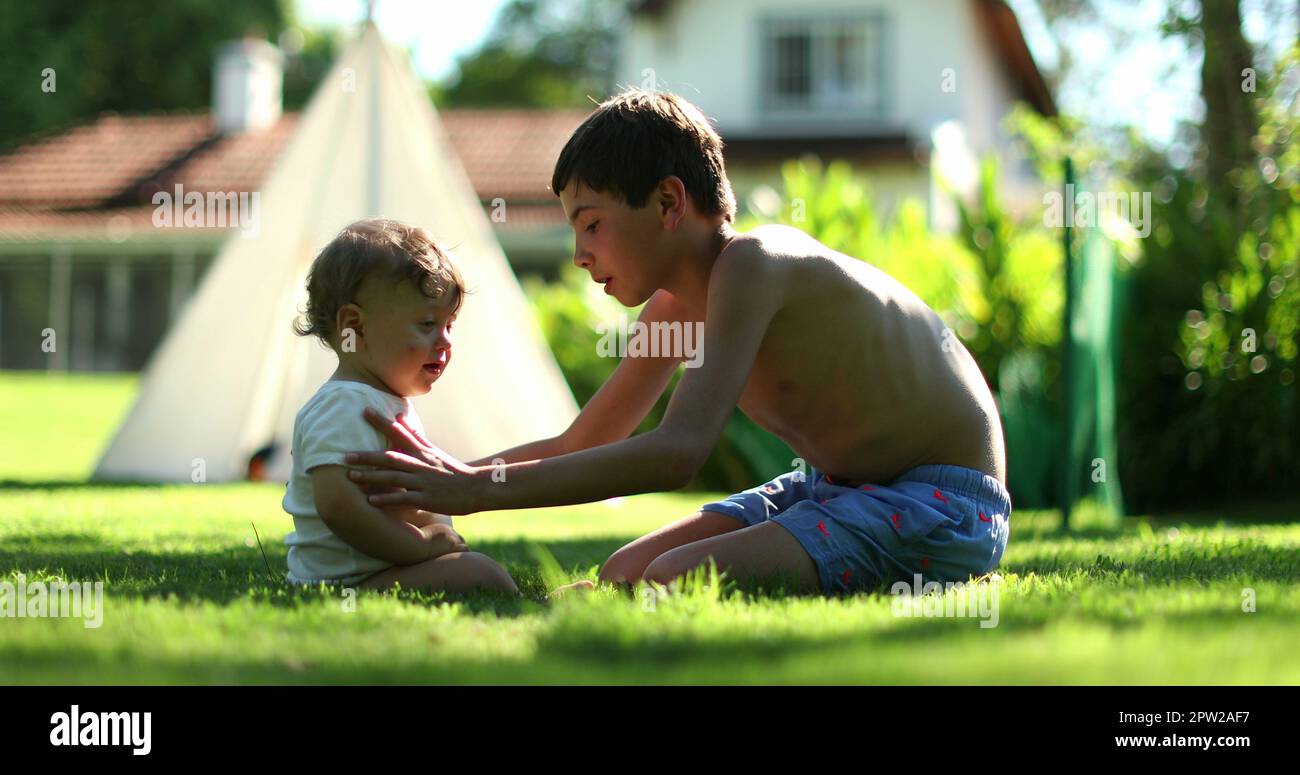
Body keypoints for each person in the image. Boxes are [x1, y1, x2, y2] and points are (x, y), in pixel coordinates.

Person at [347, 90, 1010, 596]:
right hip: (834, 487)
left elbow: (677, 453)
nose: (579, 255)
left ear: (668, 203)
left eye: (592, 225)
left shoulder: (754, 265)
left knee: (670, 577)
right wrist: (443, 482)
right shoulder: (673, 309)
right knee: (623, 572)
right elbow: (585, 441)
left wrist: (475, 492)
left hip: (940, 501)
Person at [281, 218, 517, 594]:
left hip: (380, 571)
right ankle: (537, 605)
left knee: (473, 571)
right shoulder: (345, 404)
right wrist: (420, 546)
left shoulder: (378, 399)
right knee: (479, 574)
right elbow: (338, 504)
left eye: (449, 325)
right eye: (427, 323)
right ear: (355, 327)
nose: (445, 341)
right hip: (350, 582)